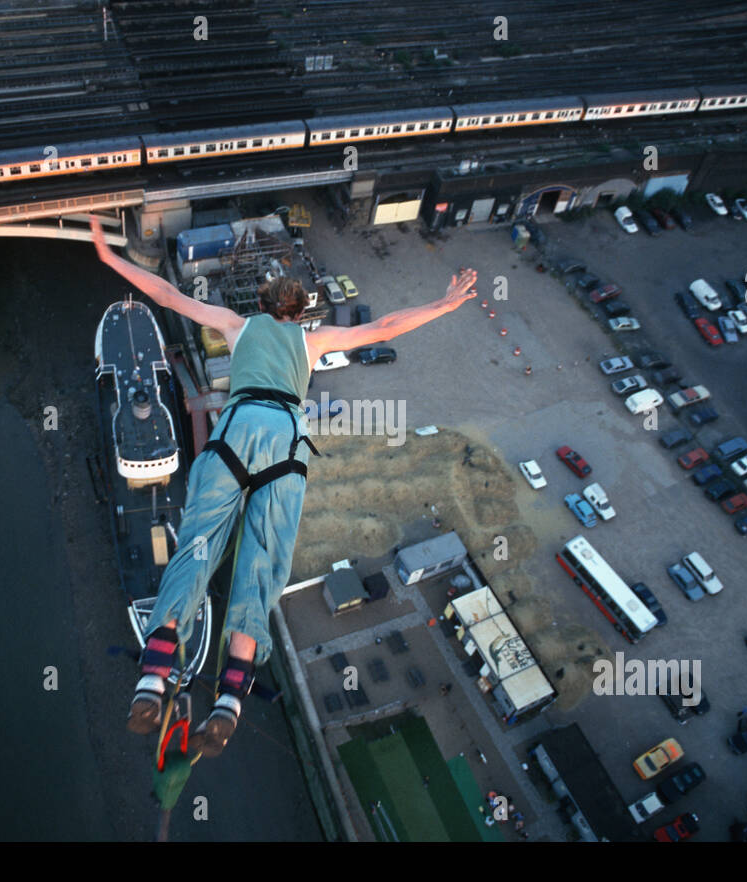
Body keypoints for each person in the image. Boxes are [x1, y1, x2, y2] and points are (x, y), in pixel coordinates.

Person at [92, 216, 478, 756]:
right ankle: (230, 699)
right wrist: (444, 303)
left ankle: (154, 676)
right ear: (299, 313)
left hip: (239, 427)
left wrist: (111, 260)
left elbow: (168, 295)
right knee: (262, 561)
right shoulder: (315, 341)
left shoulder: (236, 325)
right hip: (285, 440)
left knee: (198, 545)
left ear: (264, 306)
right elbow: (385, 327)